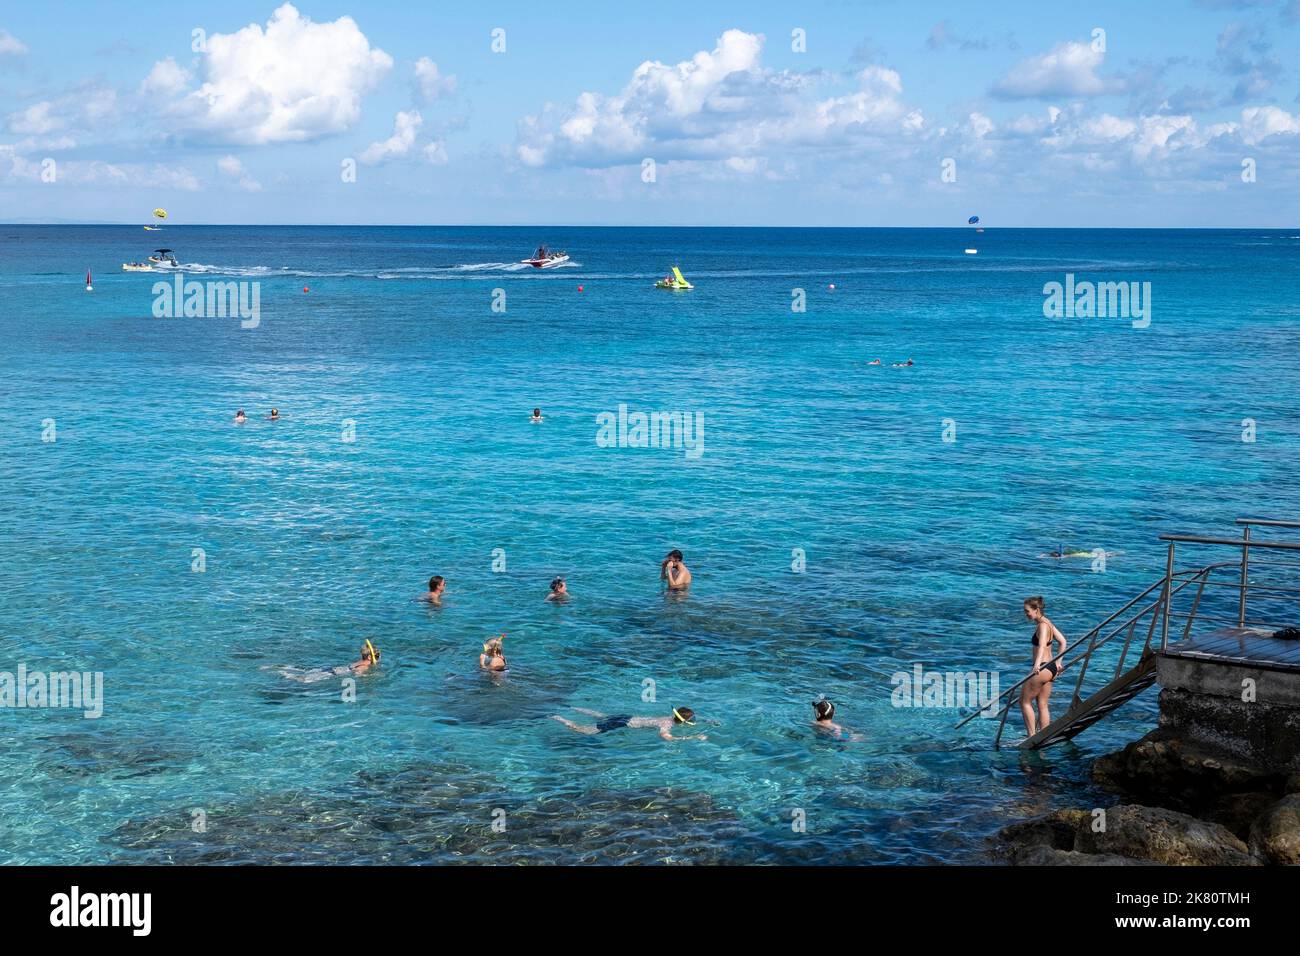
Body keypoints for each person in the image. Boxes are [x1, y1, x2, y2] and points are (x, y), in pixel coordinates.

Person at [1020, 596, 1068, 737]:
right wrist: (1058, 662)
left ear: (1036, 610)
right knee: (1042, 704)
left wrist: (1036, 666)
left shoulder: (1042, 625)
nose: (1026, 614)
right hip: (1051, 668)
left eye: (1027, 611)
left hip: (1042, 667)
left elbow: (1041, 646)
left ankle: (1031, 736)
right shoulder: (1048, 623)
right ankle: (1044, 735)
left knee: (1024, 702)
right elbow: (1063, 641)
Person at [550, 706, 707, 741]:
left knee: (602, 716)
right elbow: (667, 737)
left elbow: (682, 720)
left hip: (628, 717)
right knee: (581, 730)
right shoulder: (666, 725)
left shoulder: (668, 718)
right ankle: (558, 717)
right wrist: (693, 737)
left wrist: (709, 721)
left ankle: (573, 708)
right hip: (622, 724)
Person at [267, 641, 381, 683]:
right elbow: (357, 674)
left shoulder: (358, 662)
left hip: (333, 669)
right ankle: (283, 673)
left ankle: (278, 668)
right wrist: (369, 678)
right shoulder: (364, 666)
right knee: (303, 680)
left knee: (305, 671)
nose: (379, 657)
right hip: (333, 674)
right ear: (370, 657)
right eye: (377, 655)